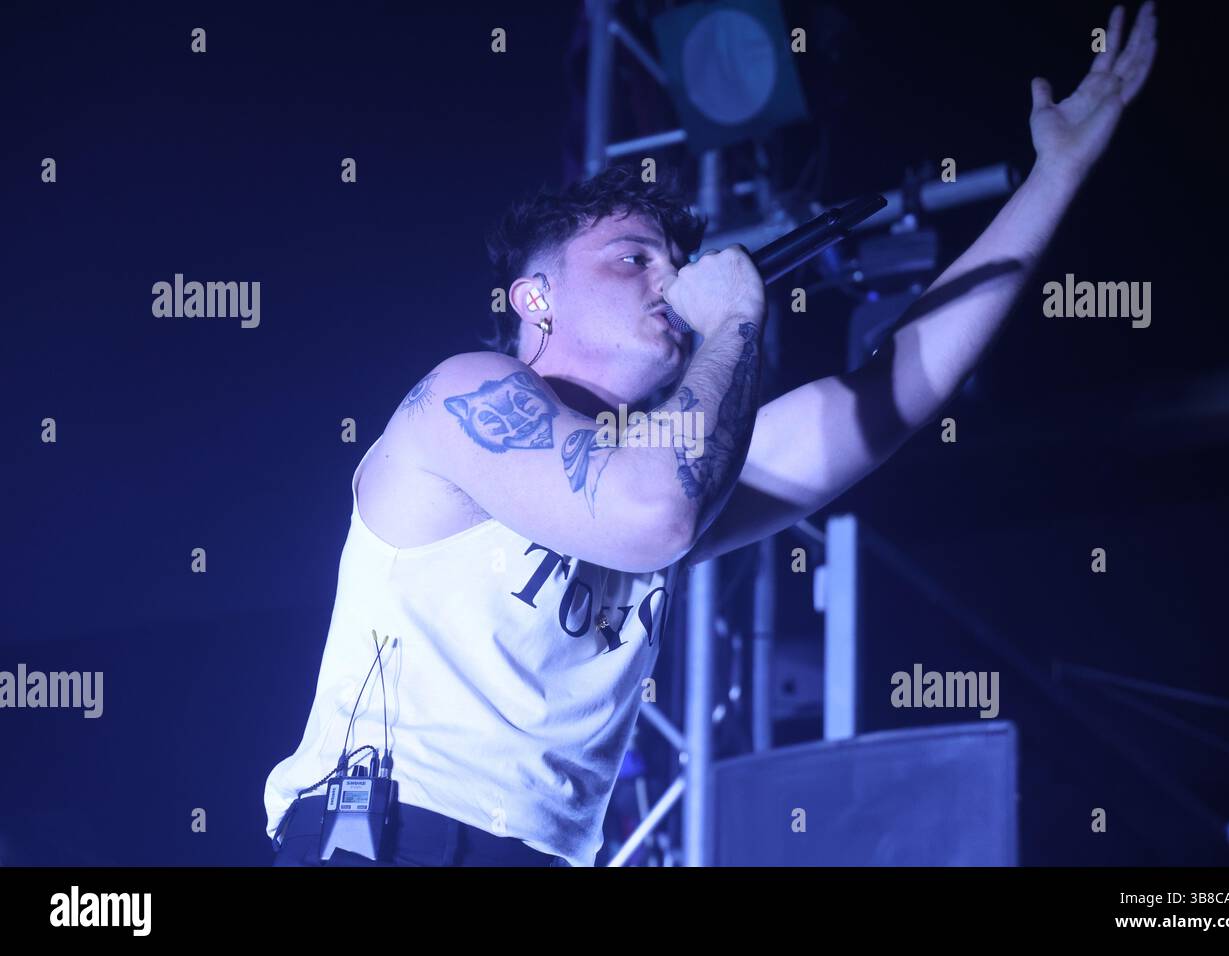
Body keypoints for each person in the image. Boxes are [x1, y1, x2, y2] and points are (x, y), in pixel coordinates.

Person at [264, 1, 1157, 866]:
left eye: (677, 263)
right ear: (535, 298)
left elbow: (894, 390)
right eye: (633, 258)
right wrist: (733, 321)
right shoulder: (467, 394)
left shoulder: (662, 459)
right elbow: (656, 511)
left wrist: (1055, 178)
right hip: (398, 838)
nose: (671, 279)